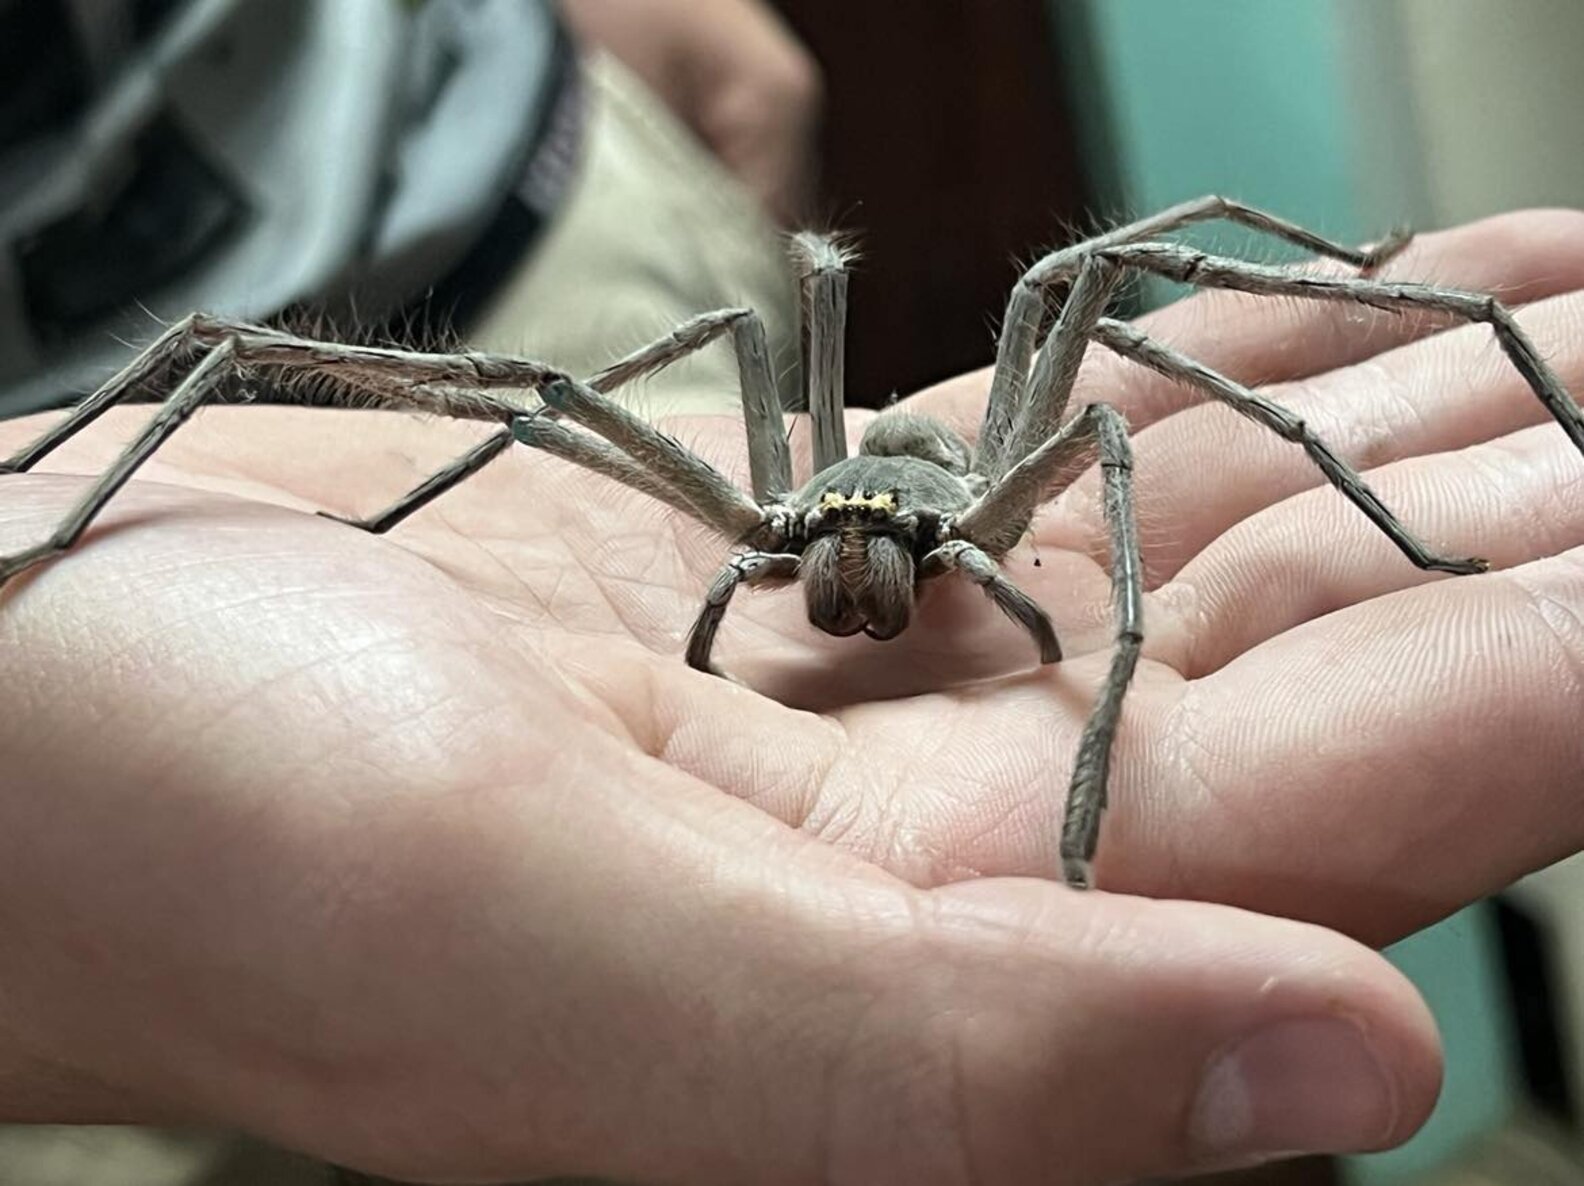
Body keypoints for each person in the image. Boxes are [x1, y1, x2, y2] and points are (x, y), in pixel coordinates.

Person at [2, 206, 1582, 1185]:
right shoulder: (769, 513)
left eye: (863, 555)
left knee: (1082, 280)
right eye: (820, 548)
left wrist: (1101, 678)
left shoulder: (989, 504)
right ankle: (47, 496)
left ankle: (1410, 297)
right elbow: (543, 401)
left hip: (533, 165)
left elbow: (1105, 439)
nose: (845, 574)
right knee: (527, 389)